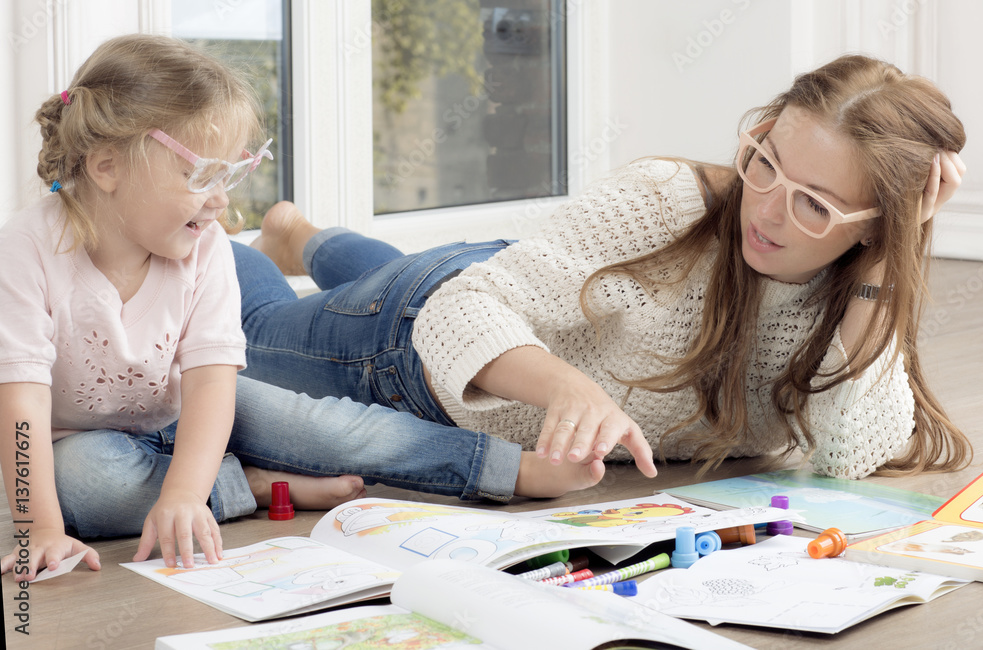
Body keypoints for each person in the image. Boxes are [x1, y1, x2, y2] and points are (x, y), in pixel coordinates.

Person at [0, 35, 598, 583]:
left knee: (325, 425)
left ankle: (500, 469)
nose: (219, 200)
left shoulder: (205, 249)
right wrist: (38, 530)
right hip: (78, 440)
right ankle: (255, 488)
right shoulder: (28, 248)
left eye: (230, 174)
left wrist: (185, 490)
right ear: (106, 166)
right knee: (88, 483)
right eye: (202, 174)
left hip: (190, 411)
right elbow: (22, 399)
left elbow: (211, 382)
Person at [237, 54, 971, 484]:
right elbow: (458, 311)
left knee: (404, 271)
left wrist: (888, 258)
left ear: (874, 226)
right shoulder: (666, 200)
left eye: (813, 203)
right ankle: (247, 242)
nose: (768, 211)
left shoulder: (857, 285)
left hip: (495, 295)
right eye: (765, 162)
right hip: (412, 342)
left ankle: (299, 233)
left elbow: (848, 453)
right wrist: (568, 387)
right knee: (253, 329)